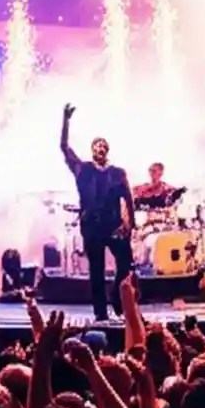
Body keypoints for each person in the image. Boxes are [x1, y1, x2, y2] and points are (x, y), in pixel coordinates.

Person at [60, 104, 133, 322]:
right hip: (92, 226)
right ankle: (100, 313)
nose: (100, 149)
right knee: (97, 270)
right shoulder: (82, 169)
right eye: (96, 146)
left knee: (125, 262)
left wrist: (130, 224)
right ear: (92, 150)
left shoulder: (118, 173)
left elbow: (128, 199)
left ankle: (117, 300)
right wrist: (66, 120)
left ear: (107, 151)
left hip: (113, 224)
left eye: (103, 146)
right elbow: (64, 147)